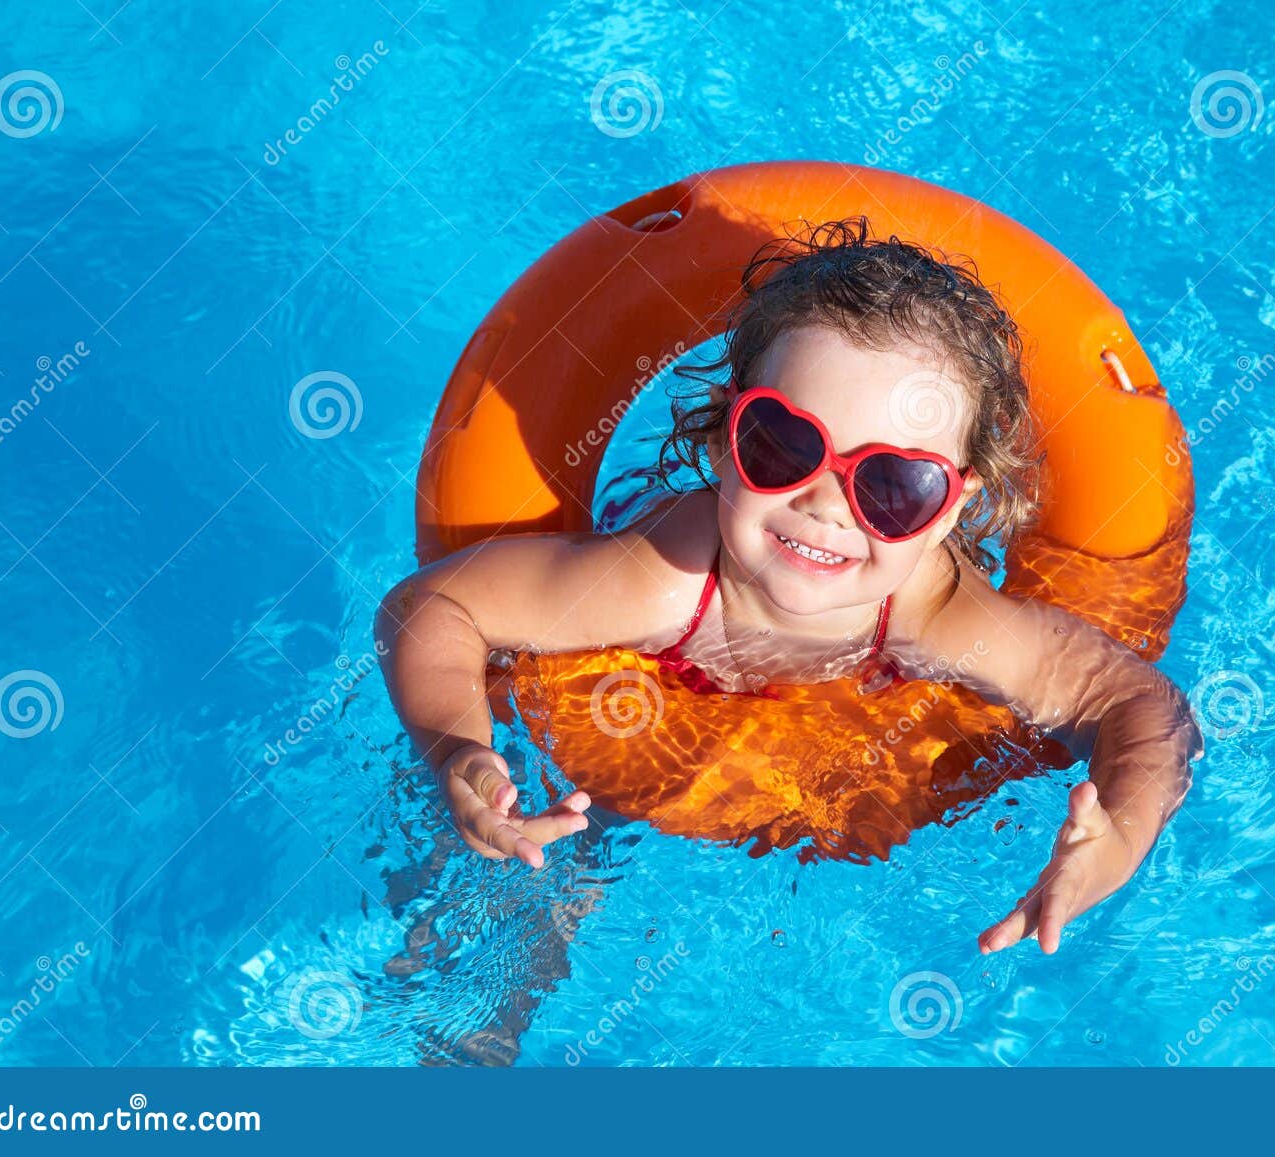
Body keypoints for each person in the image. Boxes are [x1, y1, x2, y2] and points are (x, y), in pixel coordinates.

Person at [377, 218, 1202, 955]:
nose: (823, 503)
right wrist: (455, 746)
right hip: (640, 709)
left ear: (956, 509)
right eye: (782, 445)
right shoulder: (660, 577)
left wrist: (1121, 838)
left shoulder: (935, 612)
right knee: (524, 888)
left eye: (892, 484)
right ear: (719, 431)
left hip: (828, 728)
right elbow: (433, 607)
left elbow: (1141, 707)